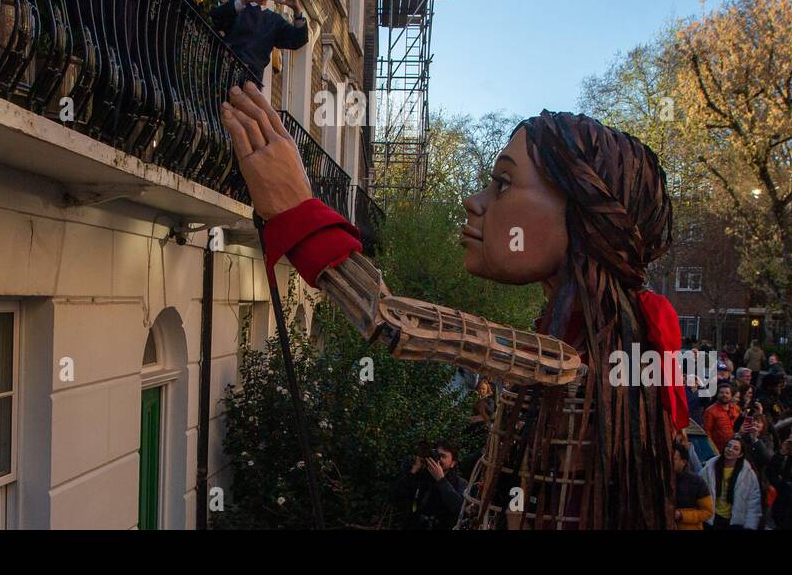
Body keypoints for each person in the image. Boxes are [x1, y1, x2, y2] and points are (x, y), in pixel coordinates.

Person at [220, 89, 688, 529]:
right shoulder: (593, 353)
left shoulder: (567, 361)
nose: (474, 202)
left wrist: (296, 209)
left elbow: (392, 322)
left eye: (503, 183)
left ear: (583, 216)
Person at [209, 0, 309, 86]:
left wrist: (296, 9)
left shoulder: (275, 21)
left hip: (252, 80)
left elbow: (298, 40)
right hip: (225, 73)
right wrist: (244, 0)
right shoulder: (239, 6)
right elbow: (215, 18)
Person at [389, 440, 467, 530]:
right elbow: (394, 498)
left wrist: (441, 480)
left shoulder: (460, 483)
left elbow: (459, 509)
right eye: (437, 455)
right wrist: (414, 469)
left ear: (453, 463)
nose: (438, 459)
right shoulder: (420, 477)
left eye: (443, 456)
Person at [699, 437, 762, 529]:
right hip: (711, 518)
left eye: (735, 449)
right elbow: (699, 489)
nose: (730, 450)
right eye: (728, 446)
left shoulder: (747, 474)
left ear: (740, 454)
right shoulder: (710, 467)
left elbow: (753, 502)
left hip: (734, 521)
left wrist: (750, 526)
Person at [673, 443, 713, 530]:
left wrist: (681, 515)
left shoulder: (696, 482)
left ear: (683, 462)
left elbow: (707, 512)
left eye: (674, 459)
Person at [703, 383, 741, 453]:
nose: (724, 395)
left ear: (731, 395)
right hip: (718, 449)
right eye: (721, 392)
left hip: (734, 448)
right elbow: (707, 432)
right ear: (717, 394)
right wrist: (712, 449)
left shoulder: (736, 409)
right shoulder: (710, 411)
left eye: (727, 393)